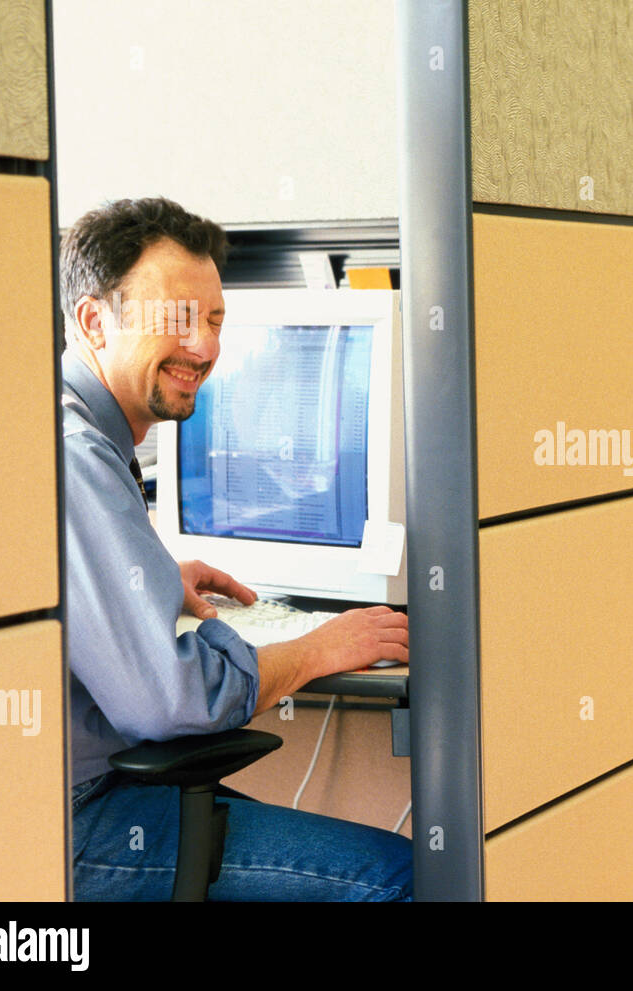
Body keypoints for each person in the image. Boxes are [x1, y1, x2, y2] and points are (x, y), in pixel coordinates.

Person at [61, 197, 412, 901]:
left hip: (71, 800)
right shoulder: (76, 456)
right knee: (403, 879)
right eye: (178, 319)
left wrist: (153, 582)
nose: (205, 347)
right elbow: (166, 699)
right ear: (95, 321)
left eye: (215, 320)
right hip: (75, 826)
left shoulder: (74, 431)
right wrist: (317, 648)